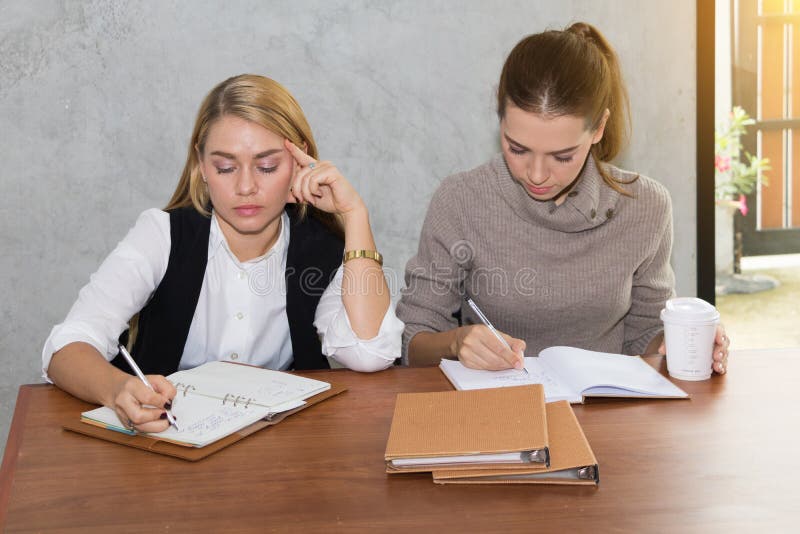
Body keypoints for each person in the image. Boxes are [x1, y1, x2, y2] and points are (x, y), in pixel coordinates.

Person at [43, 74, 403, 433]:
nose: (246, 186)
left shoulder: (323, 249)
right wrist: (116, 388)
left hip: (281, 453)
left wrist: (355, 216)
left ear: (299, 160)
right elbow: (66, 348)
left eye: (267, 166)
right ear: (201, 165)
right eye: (226, 167)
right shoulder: (162, 235)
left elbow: (369, 354)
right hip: (162, 448)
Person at [397, 22, 730, 374]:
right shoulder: (461, 201)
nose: (537, 174)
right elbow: (413, 340)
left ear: (599, 128)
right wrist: (455, 342)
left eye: (562, 156)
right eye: (517, 148)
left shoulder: (645, 206)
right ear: (499, 117)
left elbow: (645, 336)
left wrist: (681, 345)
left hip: (606, 411)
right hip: (495, 411)